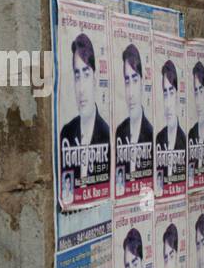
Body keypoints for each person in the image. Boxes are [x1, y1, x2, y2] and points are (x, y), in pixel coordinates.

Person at [58, 32, 111, 193]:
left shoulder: (108, 135)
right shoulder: (66, 133)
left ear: (95, 79)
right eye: (77, 75)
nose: (81, 88)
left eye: (86, 74)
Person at [114, 43, 153, 188]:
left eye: (135, 80)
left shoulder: (151, 133)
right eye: (127, 81)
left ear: (142, 82)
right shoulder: (120, 131)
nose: (130, 92)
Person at [155, 59, 187, 190]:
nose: (167, 103)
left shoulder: (185, 140)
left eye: (171, 92)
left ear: (178, 95)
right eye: (165, 93)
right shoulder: (159, 138)